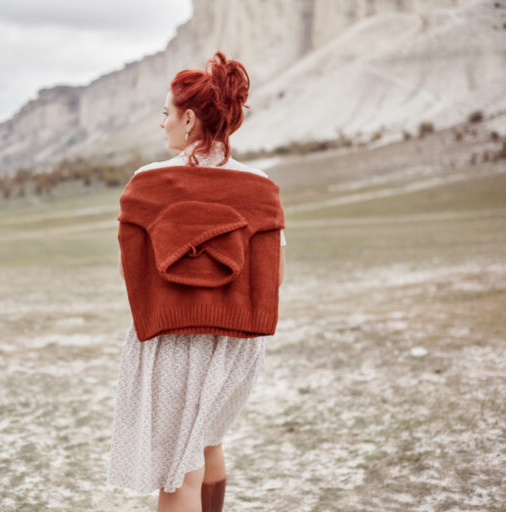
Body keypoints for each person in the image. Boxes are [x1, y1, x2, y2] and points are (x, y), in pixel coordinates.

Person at [107, 51, 286, 512]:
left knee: (177, 473)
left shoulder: (147, 182)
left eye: (166, 113)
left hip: (171, 338)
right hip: (238, 340)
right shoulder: (262, 186)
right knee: (206, 441)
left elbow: (132, 268)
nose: (161, 122)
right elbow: (275, 271)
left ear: (188, 120)